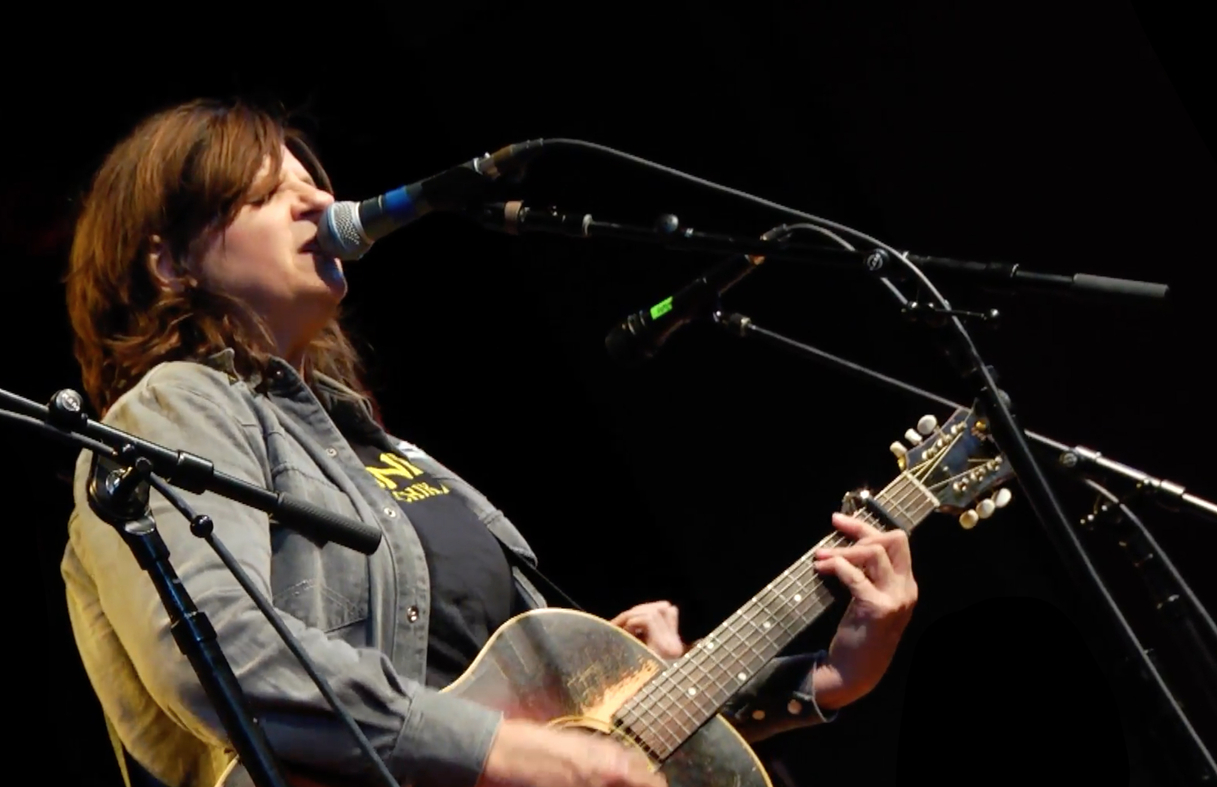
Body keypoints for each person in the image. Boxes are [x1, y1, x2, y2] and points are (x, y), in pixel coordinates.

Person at [60, 97, 919, 787]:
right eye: (264, 193)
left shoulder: (376, 445)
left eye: (314, 183)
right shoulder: (167, 411)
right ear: (170, 265)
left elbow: (575, 740)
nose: (320, 201)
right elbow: (219, 655)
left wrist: (821, 678)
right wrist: (503, 750)